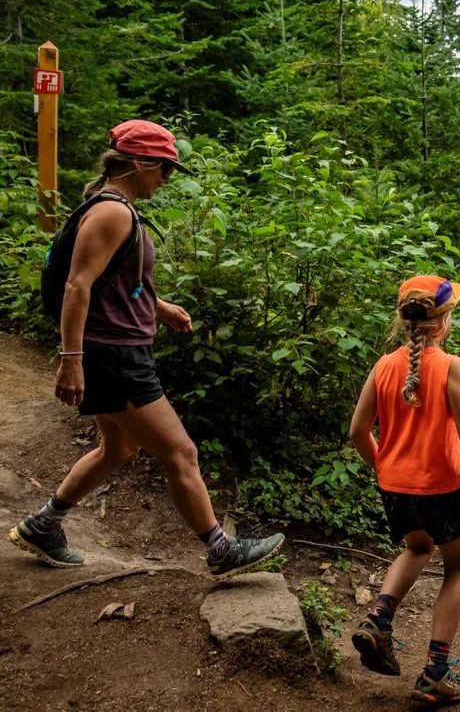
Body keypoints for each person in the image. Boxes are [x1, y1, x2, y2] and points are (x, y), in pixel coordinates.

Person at [8, 120, 284, 580]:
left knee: (119, 448)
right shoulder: (113, 212)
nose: (166, 179)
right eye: (165, 170)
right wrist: (70, 360)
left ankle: (44, 524)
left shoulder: (111, 206)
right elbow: (78, 286)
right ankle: (220, 549)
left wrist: (160, 308)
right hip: (114, 356)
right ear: (140, 163)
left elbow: (112, 281)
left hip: (111, 348)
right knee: (181, 452)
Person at [348, 274, 460, 704]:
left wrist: (385, 465)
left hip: (395, 488)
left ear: (404, 322)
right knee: (458, 567)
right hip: (442, 488)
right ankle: (436, 671)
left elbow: (357, 432)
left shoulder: (383, 366)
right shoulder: (450, 366)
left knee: (417, 549)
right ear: (442, 323)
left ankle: (379, 621)